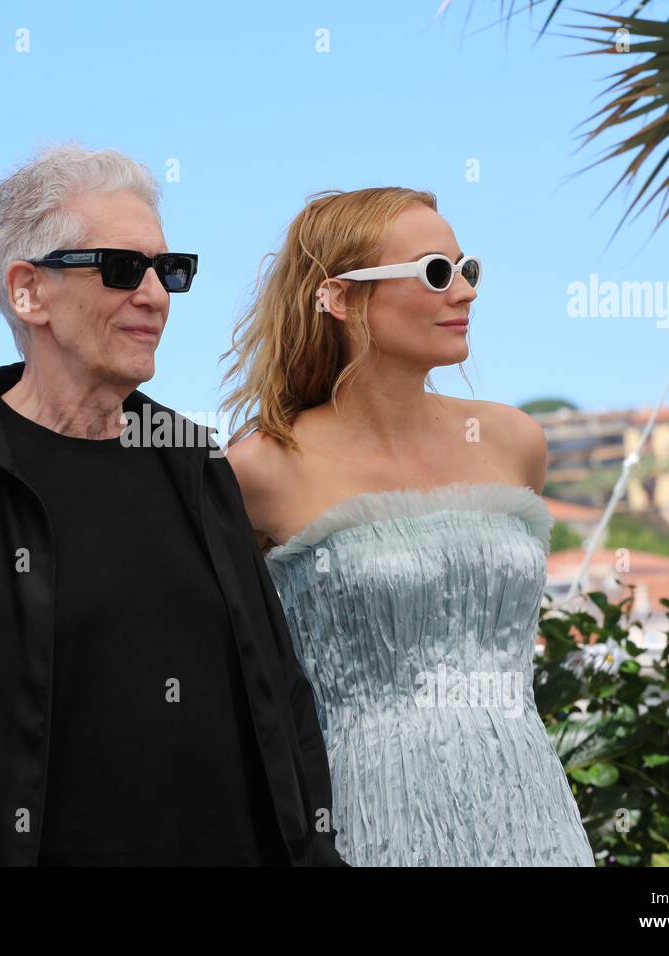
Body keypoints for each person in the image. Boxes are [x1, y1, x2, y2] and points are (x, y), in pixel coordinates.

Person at [0, 144, 343, 866]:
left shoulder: (194, 464)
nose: (154, 295)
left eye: (169, 271)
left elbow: (283, 700)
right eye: (120, 268)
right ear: (28, 291)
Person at [222, 187, 596, 866]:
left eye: (468, 269)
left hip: (531, 809)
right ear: (337, 297)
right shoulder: (261, 470)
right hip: (362, 819)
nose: (465, 293)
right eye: (435, 272)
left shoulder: (514, 442)